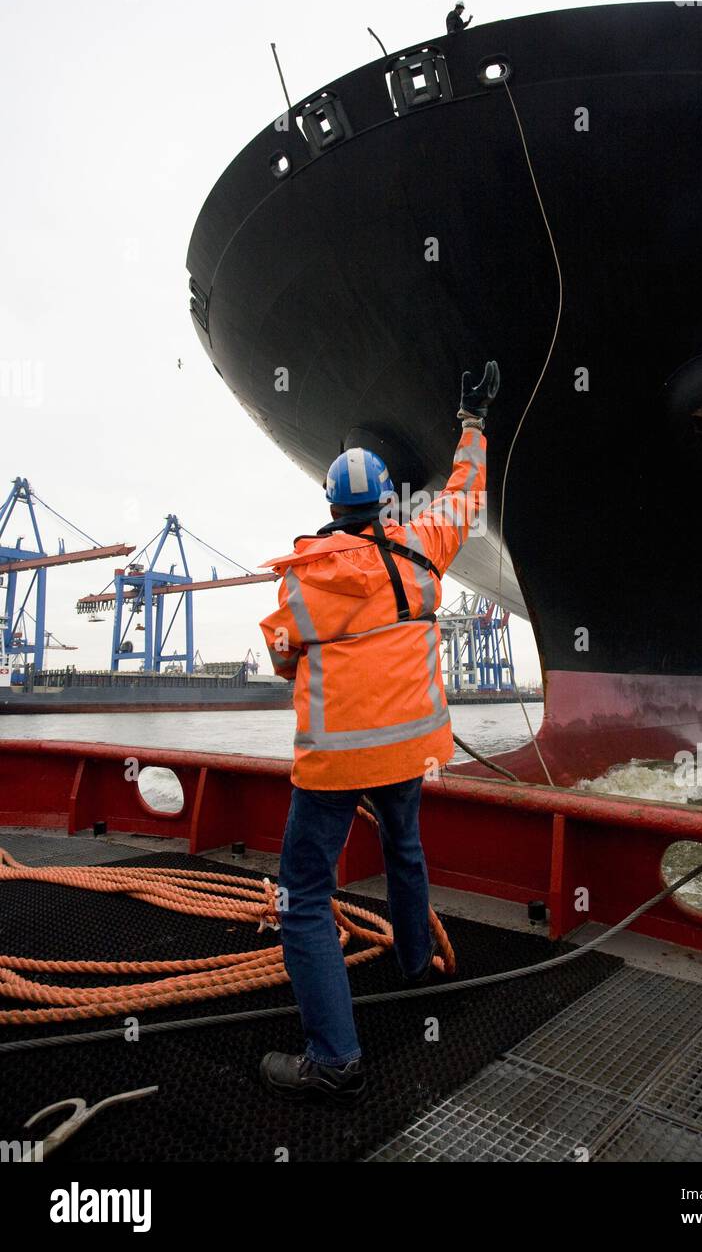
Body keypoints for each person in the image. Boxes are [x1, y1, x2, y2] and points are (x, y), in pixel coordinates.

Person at [258, 361, 500, 1103]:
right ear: (384, 502)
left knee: (303, 896)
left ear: (331, 502)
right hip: (406, 756)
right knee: (404, 849)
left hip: (333, 770)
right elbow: (466, 495)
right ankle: (414, 964)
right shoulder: (424, 549)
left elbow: (279, 657)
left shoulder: (302, 580)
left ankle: (335, 1059)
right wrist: (473, 424)